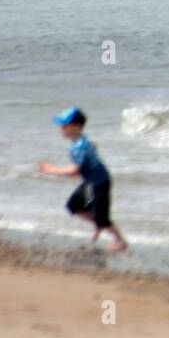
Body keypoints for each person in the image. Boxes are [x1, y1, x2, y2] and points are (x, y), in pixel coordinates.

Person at [38, 107, 127, 252]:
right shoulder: (78, 141)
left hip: (100, 183)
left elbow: (74, 171)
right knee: (73, 206)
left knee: (103, 218)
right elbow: (92, 149)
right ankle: (99, 223)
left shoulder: (80, 146)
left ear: (77, 127)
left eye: (65, 125)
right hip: (91, 182)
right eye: (61, 125)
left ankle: (120, 241)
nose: (61, 128)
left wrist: (50, 169)